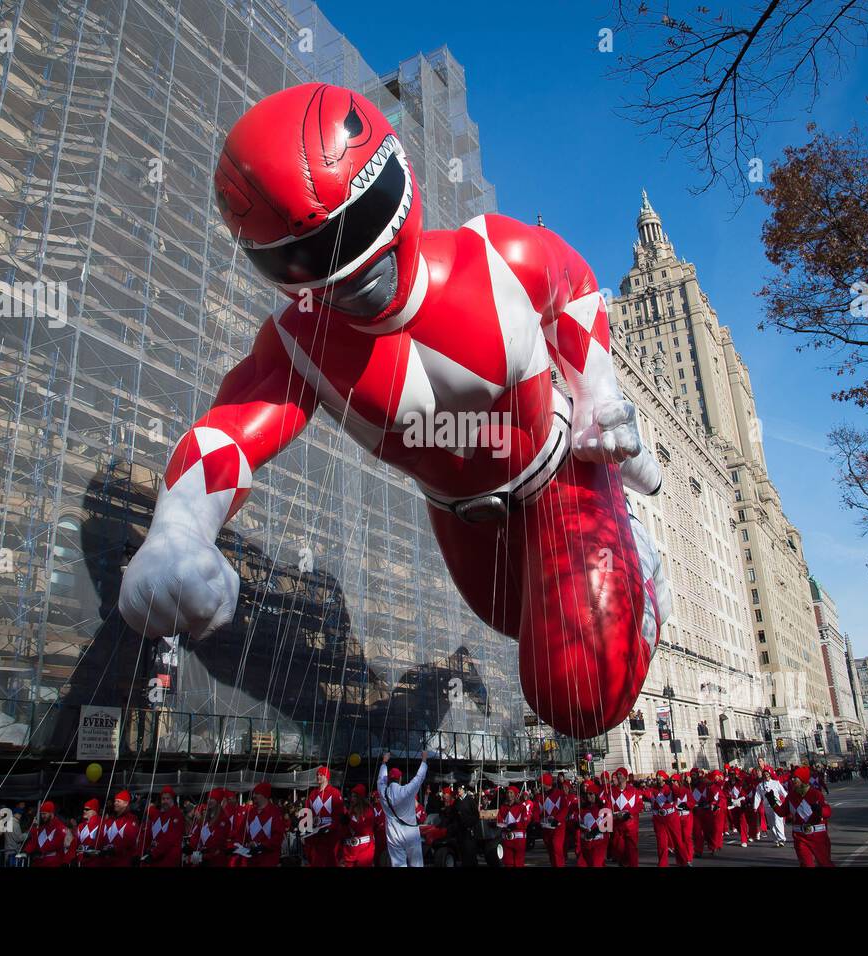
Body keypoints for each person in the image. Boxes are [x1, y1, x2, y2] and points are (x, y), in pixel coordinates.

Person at [118, 84, 673, 745]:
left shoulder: (493, 257)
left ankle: (640, 560)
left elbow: (573, 284)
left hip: (560, 479)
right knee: (520, 627)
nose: (354, 275)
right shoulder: (299, 341)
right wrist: (178, 530)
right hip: (463, 519)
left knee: (578, 691)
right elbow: (233, 429)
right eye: (310, 255)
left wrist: (599, 397)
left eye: (357, 227)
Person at [377, 750, 429, 867]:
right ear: (400, 779)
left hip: (393, 834)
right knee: (417, 864)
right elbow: (419, 777)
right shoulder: (407, 791)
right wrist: (424, 760)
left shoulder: (382, 792)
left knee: (398, 865)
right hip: (411, 833)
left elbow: (381, 780)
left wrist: (384, 763)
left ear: (389, 779)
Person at [779, 767, 833, 867]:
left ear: (803, 779)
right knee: (806, 864)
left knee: (824, 863)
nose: (793, 780)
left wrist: (820, 810)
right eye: (792, 777)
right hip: (800, 837)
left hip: (818, 836)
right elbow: (781, 812)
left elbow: (828, 811)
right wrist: (772, 802)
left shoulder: (816, 794)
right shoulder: (791, 796)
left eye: (796, 778)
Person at [234, 782, 285, 867]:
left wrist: (260, 845)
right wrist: (237, 845)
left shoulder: (275, 812)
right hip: (251, 860)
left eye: (257, 793)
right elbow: (241, 833)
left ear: (264, 795)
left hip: (268, 860)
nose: (254, 796)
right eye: (254, 793)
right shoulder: (250, 813)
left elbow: (278, 837)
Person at [302, 766, 343, 867]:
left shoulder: (334, 793)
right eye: (317, 775)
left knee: (330, 861)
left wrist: (330, 828)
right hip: (316, 836)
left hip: (330, 836)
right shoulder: (312, 794)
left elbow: (339, 815)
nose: (318, 776)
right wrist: (305, 828)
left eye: (321, 775)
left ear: (326, 777)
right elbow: (307, 813)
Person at [21, 801, 73, 867]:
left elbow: (56, 844)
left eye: (45, 814)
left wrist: (40, 851)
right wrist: (25, 851)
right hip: (39, 862)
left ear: (51, 813)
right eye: (41, 814)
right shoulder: (42, 828)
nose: (42, 816)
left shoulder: (60, 827)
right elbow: (34, 841)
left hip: (53, 862)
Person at [144, 786, 185, 867]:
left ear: (172, 799)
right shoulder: (158, 815)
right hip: (155, 858)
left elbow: (169, 839)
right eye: (163, 799)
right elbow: (148, 834)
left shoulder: (177, 814)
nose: (165, 801)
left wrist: (154, 853)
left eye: (168, 798)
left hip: (168, 860)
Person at [340, 784, 376, 867]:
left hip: (365, 850)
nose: (352, 799)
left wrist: (350, 822)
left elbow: (365, 830)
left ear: (360, 798)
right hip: (350, 850)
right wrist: (343, 825)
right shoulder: (350, 811)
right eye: (352, 796)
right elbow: (347, 832)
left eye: (355, 796)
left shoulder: (368, 811)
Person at [538, 772, 569, 867]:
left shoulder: (559, 794)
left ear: (546, 783)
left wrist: (557, 819)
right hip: (546, 828)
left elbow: (565, 808)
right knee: (551, 850)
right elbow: (536, 810)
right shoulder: (539, 797)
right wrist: (536, 821)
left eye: (541, 783)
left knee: (556, 847)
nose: (540, 785)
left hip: (558, 827)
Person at [576, 781, 610, 867]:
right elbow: (579, 826)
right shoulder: (583, 810)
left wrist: (595, 831)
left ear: (596, 795)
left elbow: (608, 825)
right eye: (587, 794)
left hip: (600, 843)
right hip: (587, 843)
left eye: (591, 794)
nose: (588, 796)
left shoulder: (604, 807)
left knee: (596, 864)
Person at [103, 791, 141, 867]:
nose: (115, 803)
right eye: (115, 801)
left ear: (126, 803)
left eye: (118, 801)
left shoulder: (131, 819)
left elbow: (130, 840)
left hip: (122, 862)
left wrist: (115, 849)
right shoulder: (110, 819)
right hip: (107, 861)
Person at [755, 769, 787, 847]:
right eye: (765, 774)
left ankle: (781, 839)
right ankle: (776, 840)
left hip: (777, 805)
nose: (766, 776)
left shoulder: (776, 783)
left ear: (770, 774)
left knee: (778, 822)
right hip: (767, 807)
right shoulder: (760, 785)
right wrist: (755, 806)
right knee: (771, 824)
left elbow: (783, 793)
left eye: (767, 774)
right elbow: (758, 796)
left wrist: (789, 800)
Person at [75, 798, 107, 867]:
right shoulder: (81, 826)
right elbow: (74, 844)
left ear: (94, 811)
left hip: (95, 862)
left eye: (87, 809)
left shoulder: (102, 824)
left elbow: (102, 844)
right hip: (81, 862)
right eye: (84, 809)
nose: (84, 811)